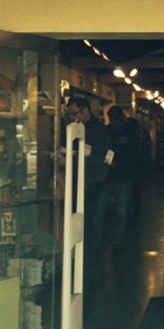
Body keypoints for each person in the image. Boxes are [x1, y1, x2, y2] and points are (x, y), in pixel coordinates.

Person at [66, 97, 112, 257]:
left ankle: (93, 253)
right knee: (80, 218)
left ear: (85, 110)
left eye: (74, 113)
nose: (72, 118)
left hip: (95, 182)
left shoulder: (100, 131)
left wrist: (72, 159)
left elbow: (100, 158)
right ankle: (81, 251)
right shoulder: (73, 129)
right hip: (79, 181)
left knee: (94, 219)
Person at [95, 106, 143, 250]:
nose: (113, 120)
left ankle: (115, 241)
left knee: (116, 211)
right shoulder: (110, 131)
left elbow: (132, 153)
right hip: (112, 175)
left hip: (120, 175)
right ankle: (105, 241)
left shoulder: (127, 131)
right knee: (108, 211)